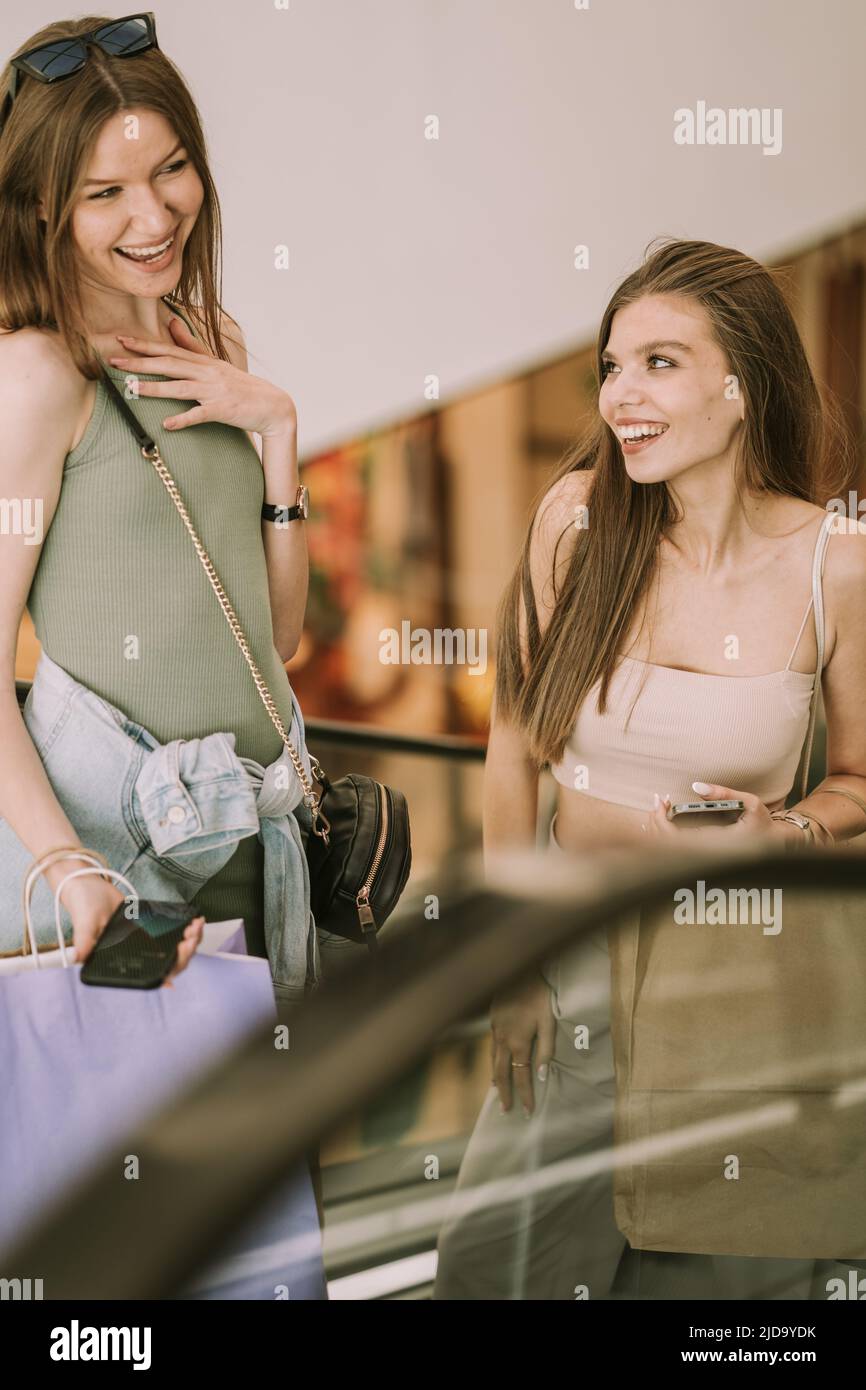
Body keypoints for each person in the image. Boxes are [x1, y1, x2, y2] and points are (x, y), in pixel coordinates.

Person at [435, 237, 866, 1299]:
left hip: (734, 978)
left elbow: (857, 778)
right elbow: (510, 753)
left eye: (658, 364)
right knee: (497, 1270)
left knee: (699, 1279)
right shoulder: (575, 522)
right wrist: (510, 966)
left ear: (743, 382)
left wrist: (795, 827)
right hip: (572, 958)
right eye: (610, 366)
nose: (620, 395)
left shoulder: (836, 565)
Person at [0, 15, 311, 977]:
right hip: (120, 876)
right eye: (105, 193)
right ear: (45, 206)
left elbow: (281, 636)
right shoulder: (37, 380)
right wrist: (68, 868)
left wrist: (278, 432)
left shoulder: (211, 337)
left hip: (255, 852)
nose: (154, 215)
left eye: (170, 170)